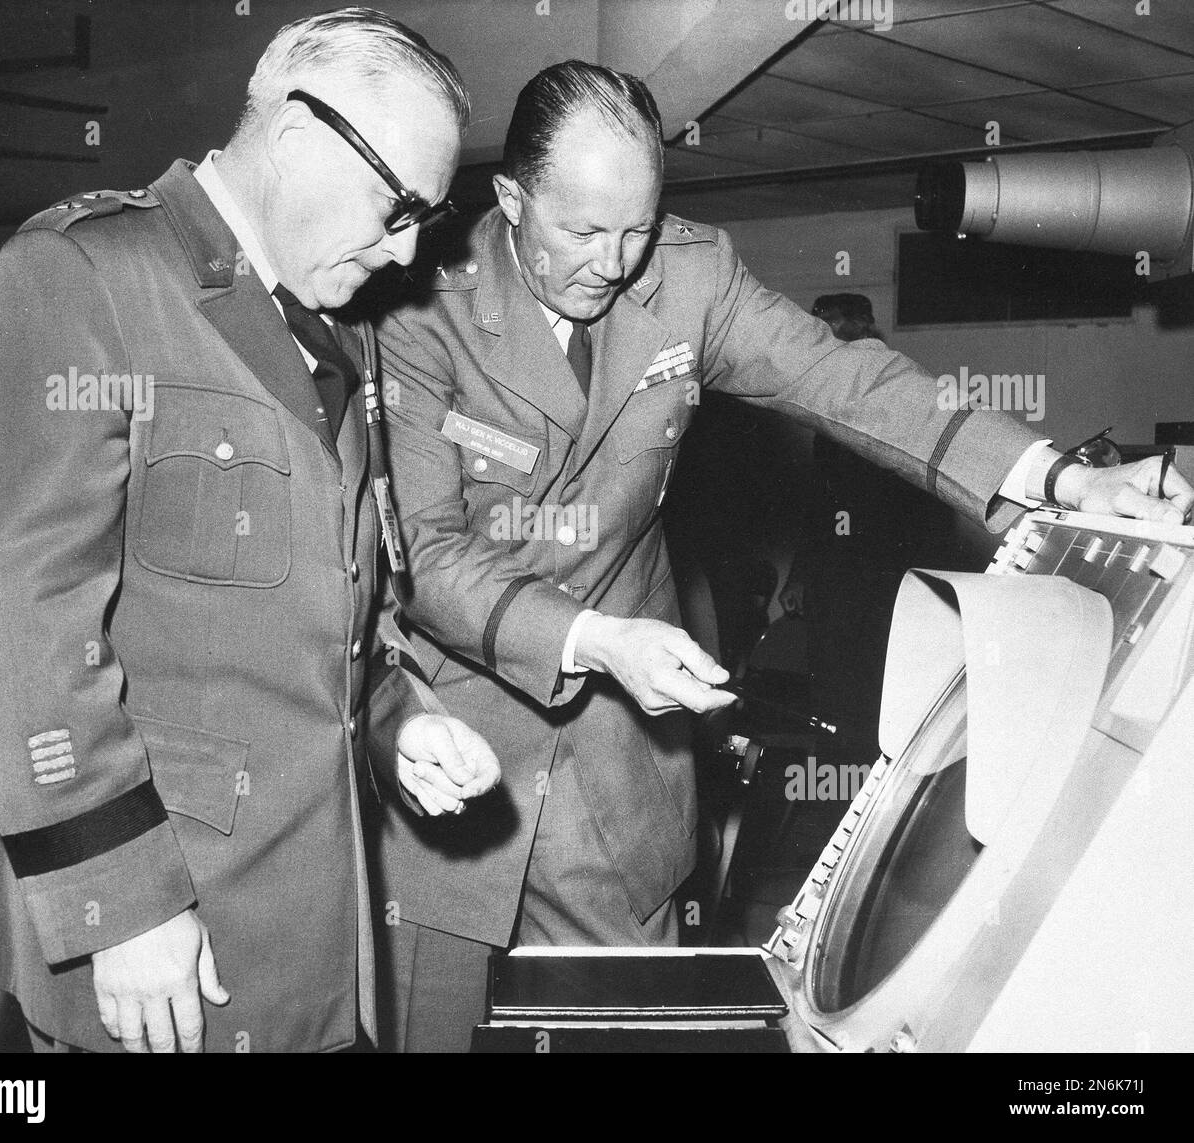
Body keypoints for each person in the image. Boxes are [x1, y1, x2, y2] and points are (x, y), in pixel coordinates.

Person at [367, 60, 1194, 1053]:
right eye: (581, 232)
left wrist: (1060, 479)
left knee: (634, 1035)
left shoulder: (689, 275)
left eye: (635, 229)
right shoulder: (418, 307)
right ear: (508, 200)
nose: (614, 262)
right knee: (430, 1026)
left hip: (619, 754)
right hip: (452, 737)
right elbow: (426, 551)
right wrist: (592, 637)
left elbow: (843, 380)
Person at [0, 9, 500, 1055]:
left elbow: (334, 617)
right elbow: (16, 619)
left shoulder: (339, 334)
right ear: (294, 138)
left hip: (310, 933)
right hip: (161, 948)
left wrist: (401, 722)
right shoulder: (84, 278)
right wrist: (119, 901)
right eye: (397, 205)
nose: (412, 245)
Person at [782, 293, 962, 763]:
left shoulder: (900, 391)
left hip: (889, 577)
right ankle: (838, 787)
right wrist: (802, 573)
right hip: (838, 580)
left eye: (836, 329)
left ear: (864, 329)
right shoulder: (829, 406)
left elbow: (930, 497)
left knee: (882, 693)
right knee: (833, 690)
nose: (827, 341)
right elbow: (822, 502)